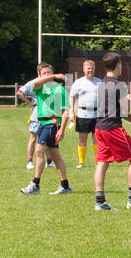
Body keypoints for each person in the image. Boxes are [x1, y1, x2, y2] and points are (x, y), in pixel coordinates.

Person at [92, 52, 131, 210]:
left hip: (99, 127)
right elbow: (124, 107)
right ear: (118, 64)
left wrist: (128, 117)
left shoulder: (102, 83)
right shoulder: (119, 85)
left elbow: (111, 107)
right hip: (112, 128)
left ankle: (100, 201)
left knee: (103, 162)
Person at [19, 63, 72, 196]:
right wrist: (54, 76)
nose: (47, 75)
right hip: (42, 124)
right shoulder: (40, 87)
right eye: (44, 73)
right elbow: (36, 84)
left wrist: (62, 130)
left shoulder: (60, 90)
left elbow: (65, 111)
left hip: (52, 123)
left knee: (38, 151)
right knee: (56, 157)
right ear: (39, 75)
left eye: (49, 72)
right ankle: (65, 186)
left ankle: (35, 184)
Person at [69, 59, 102, 168]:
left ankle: (98, 162)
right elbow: (72, 97)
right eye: (88, 68)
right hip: (83, 114)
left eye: (92, 68)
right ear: (83, 69)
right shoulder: (78, 82)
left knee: (97, 139)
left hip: (97, 114)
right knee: (82, 139)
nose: (90, 70)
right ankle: (81, 162)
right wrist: (71, 112)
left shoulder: (100, 82)